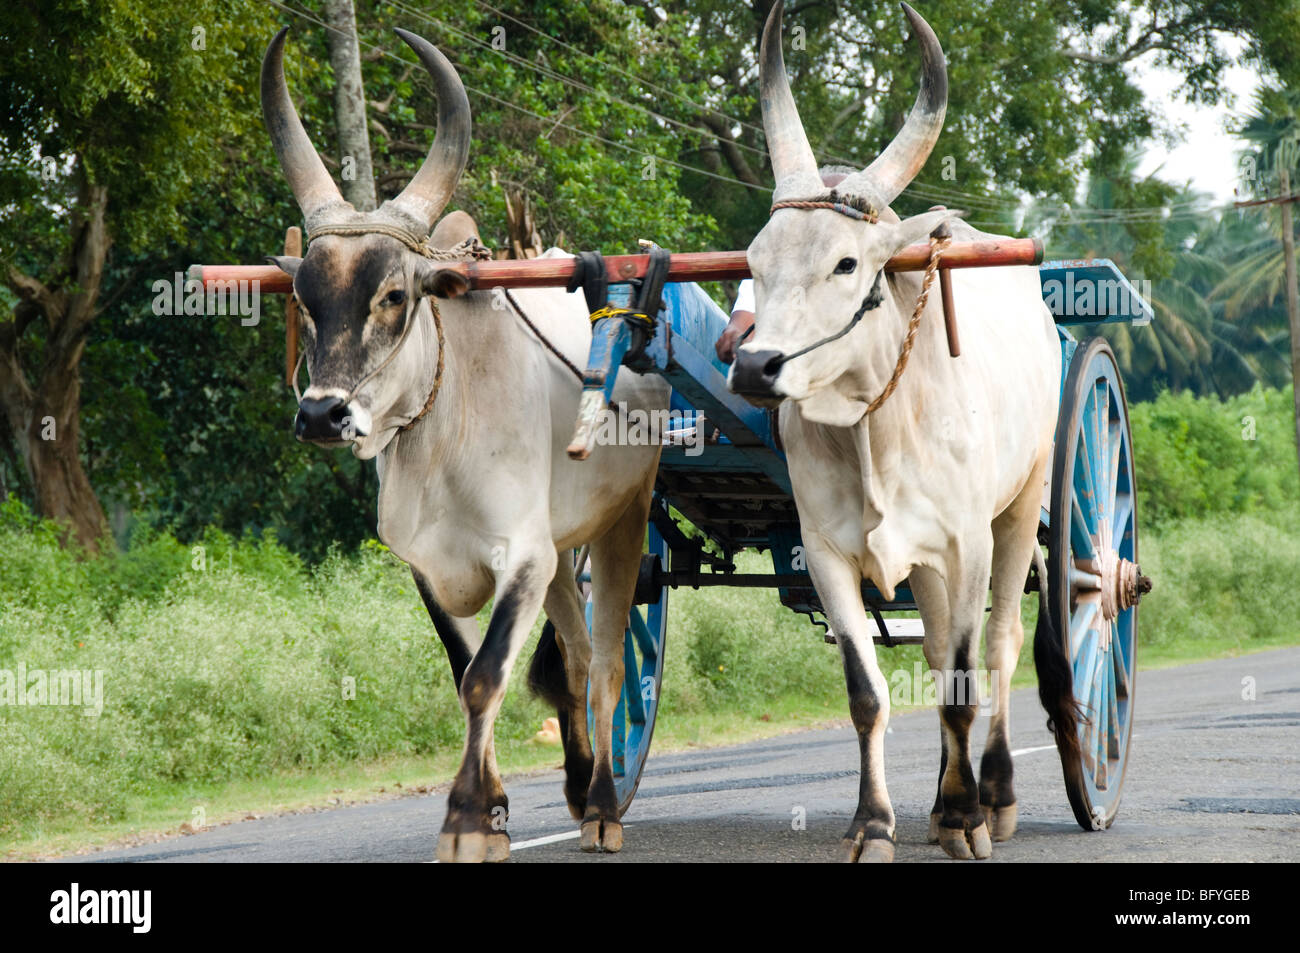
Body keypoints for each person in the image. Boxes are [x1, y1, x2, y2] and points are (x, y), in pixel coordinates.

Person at [713, 167, 857, 364]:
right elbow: (744, 322)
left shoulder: (866, 269)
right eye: (817, 207)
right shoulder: (771, 264)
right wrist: (736, 335)